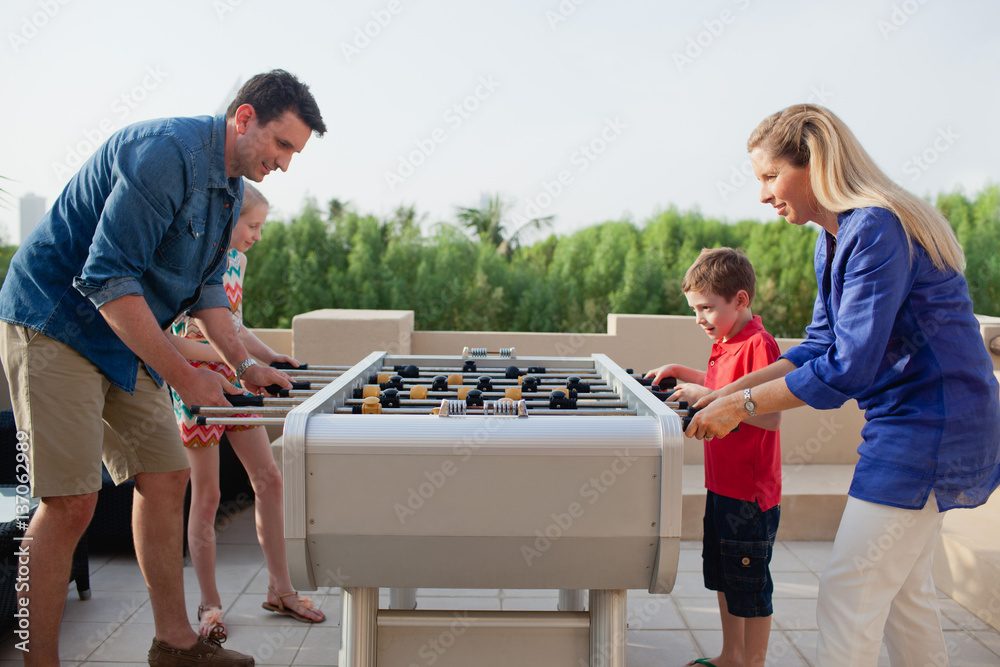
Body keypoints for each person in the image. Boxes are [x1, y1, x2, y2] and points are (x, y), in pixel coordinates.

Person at [0, 69, 326, 667]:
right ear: (245, 117)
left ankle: (174, 644)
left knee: (167, 476)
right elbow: (104, 277)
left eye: (294, 154)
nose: (284, 164)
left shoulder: (229, 185)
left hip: (123, 333)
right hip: (56, 323)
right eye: (282, 145)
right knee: (70, 502)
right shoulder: (164, 154)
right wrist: (188, 376)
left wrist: (245, 364)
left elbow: (206, 292)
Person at [686, 103, 1000, 666]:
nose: (762, 194)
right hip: (913, 425)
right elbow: (817, 345)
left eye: (769, 175)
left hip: (932, 429)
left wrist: (741, 405)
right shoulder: (831, 239)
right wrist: (725, 396)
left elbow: (848, 367)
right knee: (906, 599)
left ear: (814, 165)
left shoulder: (875, 228)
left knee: (846, 596)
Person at [168, 182, 325, 639]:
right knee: (209, 498)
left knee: (269, 479)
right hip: (195, 390)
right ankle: (210, 605)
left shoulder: (238, 262)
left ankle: (281, 589)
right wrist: (236, 360)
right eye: (252, 225)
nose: (257, 234)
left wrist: (271, 356)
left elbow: (233, 326)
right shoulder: (192, 258)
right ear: (228, 218)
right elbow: (172, 338)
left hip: (236, 383)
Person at [646, 247, 781, 667]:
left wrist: (706, 396)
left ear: (740, 300)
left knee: (751, 586)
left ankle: (752, 663)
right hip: (721, 485)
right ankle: (731, 656)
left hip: (750, 494)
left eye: (707, 308)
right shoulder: (726, 342)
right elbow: (725, 387)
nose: (700, 318)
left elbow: (771, 413)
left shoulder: (759, 344)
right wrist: (685, 374)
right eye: (694, 310)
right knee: (727, 578)